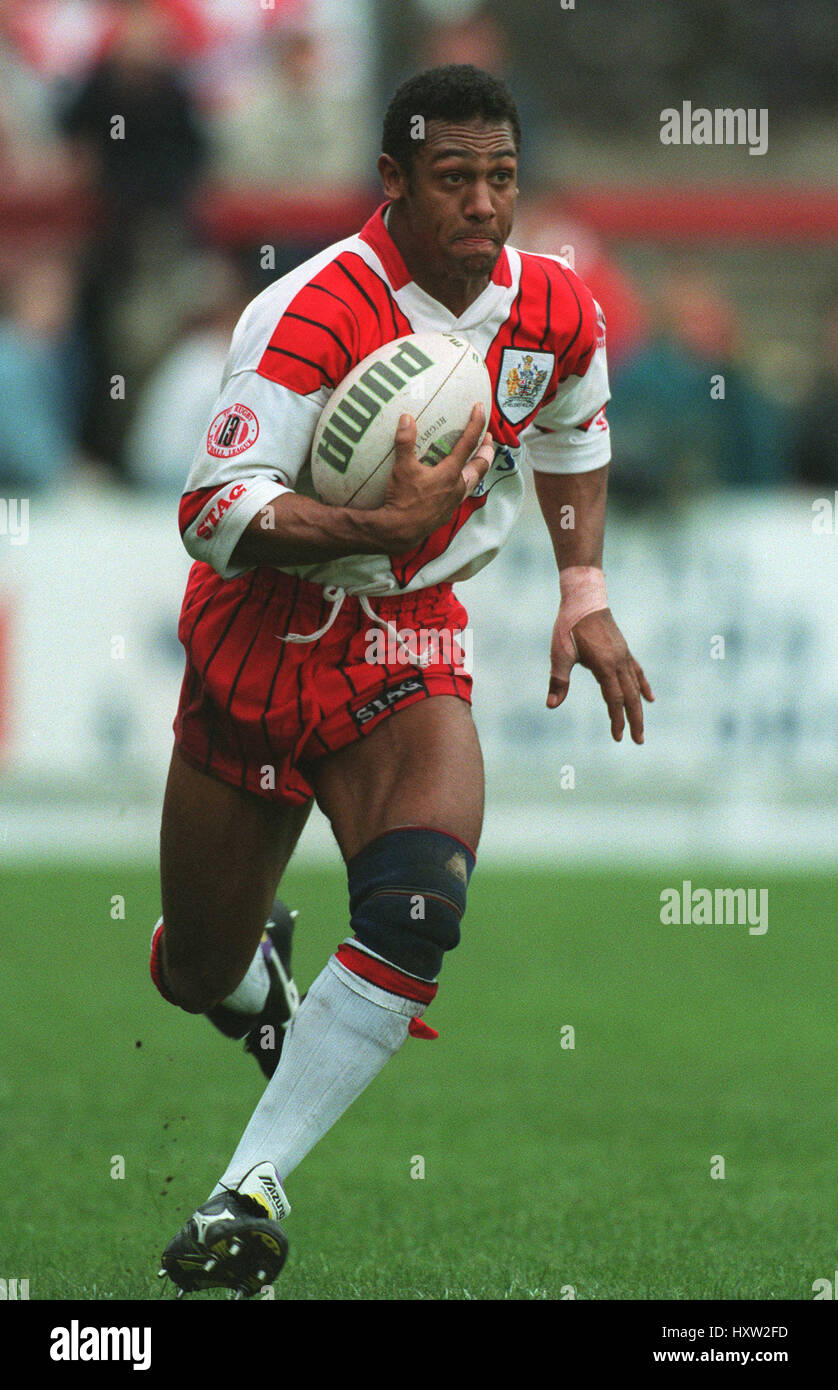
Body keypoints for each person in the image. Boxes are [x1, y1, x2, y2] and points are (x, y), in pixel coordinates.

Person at [152, 64, 653, 1298]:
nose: (483, 204)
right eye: (453, 178)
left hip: (403, 637)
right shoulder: (308, 312)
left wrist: (581, 590)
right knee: (194, 968)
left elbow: (574, 424)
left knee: (419, 902)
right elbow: (213, 512)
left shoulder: (553, 306)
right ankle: (249, 977)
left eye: (501, 177)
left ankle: (247, 1189)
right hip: (257, 640)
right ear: (392, 181)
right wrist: (370, 513)